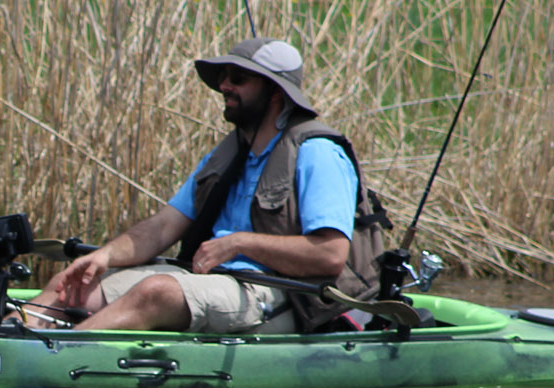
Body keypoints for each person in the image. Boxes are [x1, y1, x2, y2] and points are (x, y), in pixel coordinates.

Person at [21, 37, 378, 333]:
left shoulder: (318, 153)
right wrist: (103, 256)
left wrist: (238, 243)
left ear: (275, 93)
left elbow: (330, 255)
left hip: (286, 295)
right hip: (215, 282)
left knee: (157, 292)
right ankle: (7, 340)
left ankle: (50, 359)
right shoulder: (229, 154)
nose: (224, 86)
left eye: (238, 78)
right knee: (72, 286)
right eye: (223, 76)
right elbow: (163, 226)